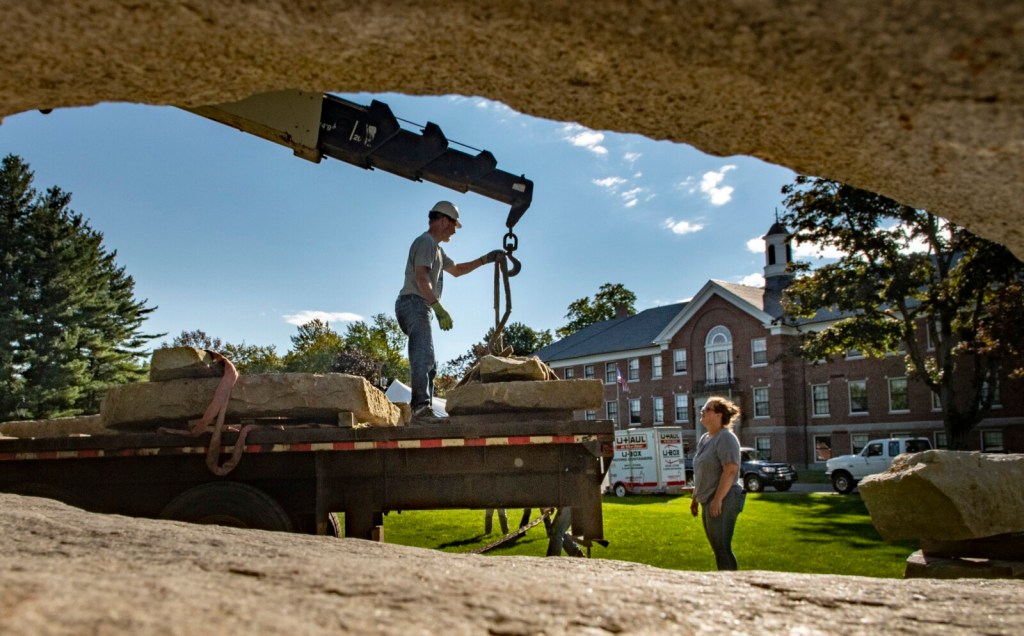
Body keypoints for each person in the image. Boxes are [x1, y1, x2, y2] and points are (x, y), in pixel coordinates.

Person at [395, 200, 505, 419]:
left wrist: (486, 259)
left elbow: (458, 270)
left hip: (418, 304)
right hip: (413, 303)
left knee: (429, 360)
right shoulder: (425, 242)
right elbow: (420, 277)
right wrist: (439, 308)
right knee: (423, 355)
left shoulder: (437, 250)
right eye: (455, 224)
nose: (456, 229)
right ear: (444, 220)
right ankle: (420, 408)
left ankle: (424, 408)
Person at [689, 396, 746, 570]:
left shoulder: (726, 438)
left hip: (725, 499)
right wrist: (695, 498)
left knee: (722, 548)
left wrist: (718, 499)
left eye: (707, 409)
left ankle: (731, 587)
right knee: (717, 547)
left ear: (719, 415)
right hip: (708, 499)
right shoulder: (705, 438)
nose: (702, 412)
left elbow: (730, 470)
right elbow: (701, 471)